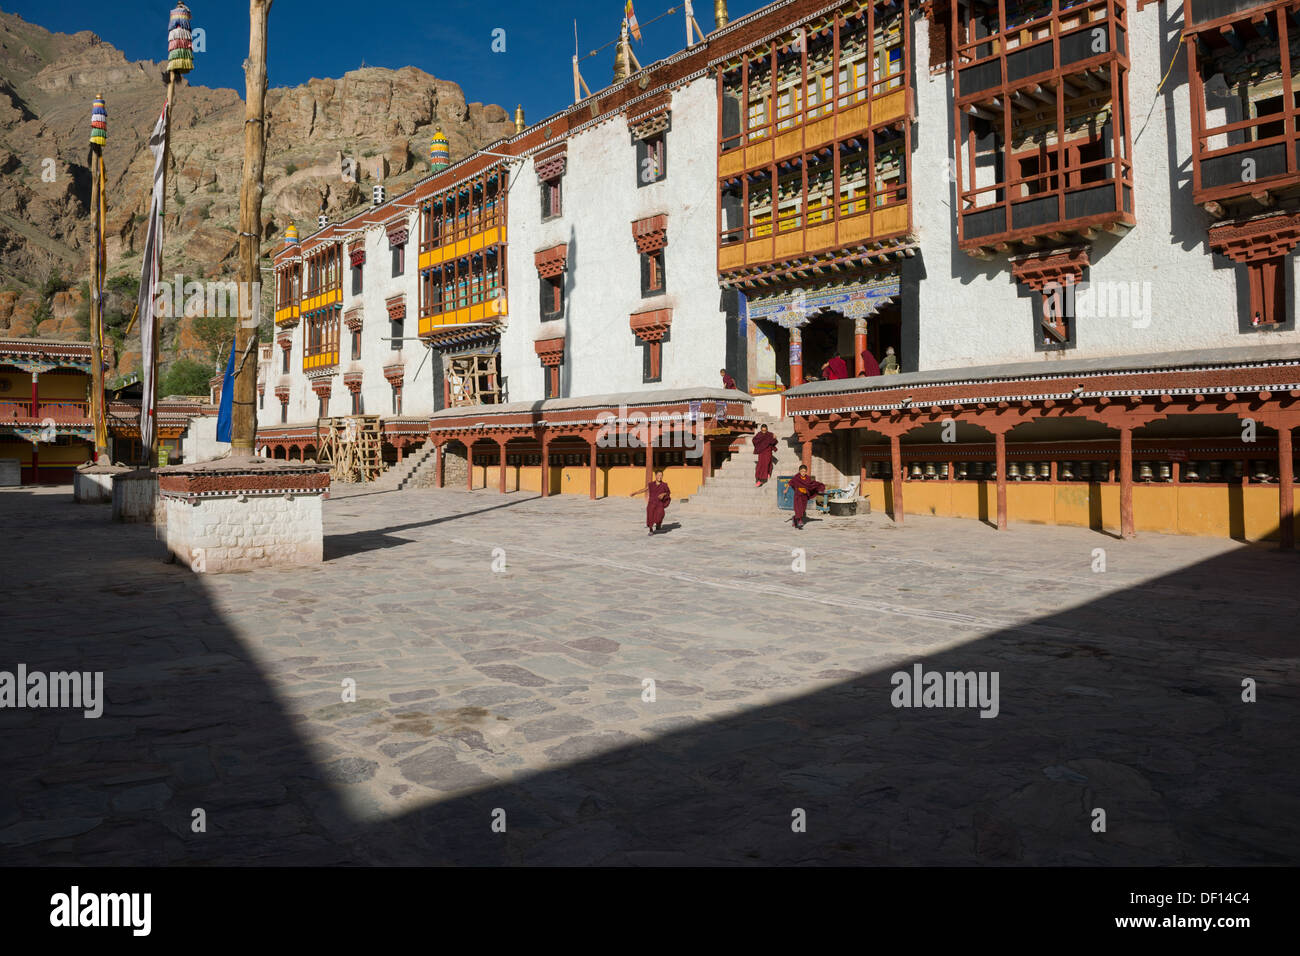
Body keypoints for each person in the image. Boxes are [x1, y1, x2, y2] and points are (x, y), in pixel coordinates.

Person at [632, 469, 672, 534]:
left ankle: (658, 524)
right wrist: (635, 492)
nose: (660, 477)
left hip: (659, 503)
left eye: (661, 475)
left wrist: (663, 494)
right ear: (655, 476)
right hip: (652, 503)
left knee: (660, 515)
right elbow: (644, 489)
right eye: (658, 475)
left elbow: (668, 492)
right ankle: (651, 529)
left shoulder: (664, 485)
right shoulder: (651, 484)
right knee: (650, 516)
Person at [789, 464, 825, 530]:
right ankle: (799, 521)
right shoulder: (796, 478)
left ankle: (794, 518)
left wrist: (819, 487)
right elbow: (790, 483)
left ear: (806, 472)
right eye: (802, 471)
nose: (803, 473)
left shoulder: (808, 478)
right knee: (798, 509)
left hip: (804, 496)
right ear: (799, 471)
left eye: (804, 471)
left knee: (802, 510)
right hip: (798, 496)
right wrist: (786, 489)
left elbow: (811, 485)